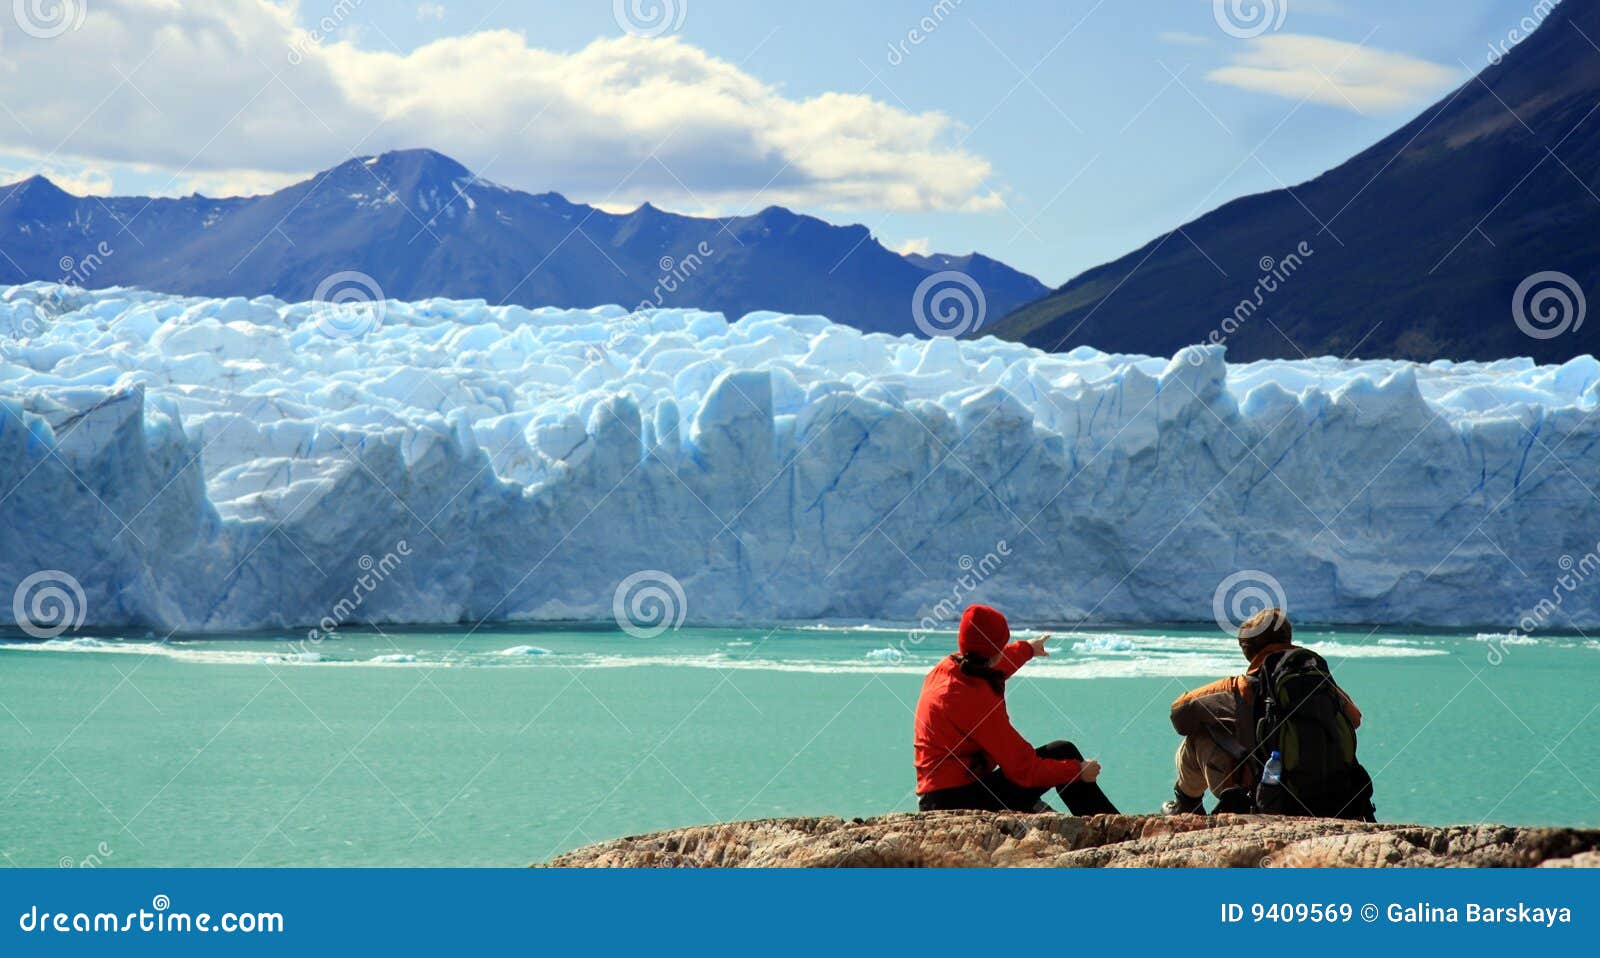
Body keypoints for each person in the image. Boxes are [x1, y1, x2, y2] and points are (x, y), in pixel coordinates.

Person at [1163, 606, 1374, 819]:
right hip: (1333, 797)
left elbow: (1179, 714)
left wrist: (1230, 721)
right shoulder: (1319, 679)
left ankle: (1186, 804)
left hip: (1265, 798)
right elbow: (1355, 719)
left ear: (1248, 649)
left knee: (1200, 736)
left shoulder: (1239, 688)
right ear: (1288, 638)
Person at [914, 604, 1119, 814]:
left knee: (1059, 754)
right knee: (1062, 752)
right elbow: (1022, 769)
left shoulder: (949, 669)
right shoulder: (972, 700)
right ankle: (1114, 831)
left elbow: (998, 662)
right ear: (995, 651)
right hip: (955, 802)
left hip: (941, 795)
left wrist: (1029, 648)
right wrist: (1077, 771)